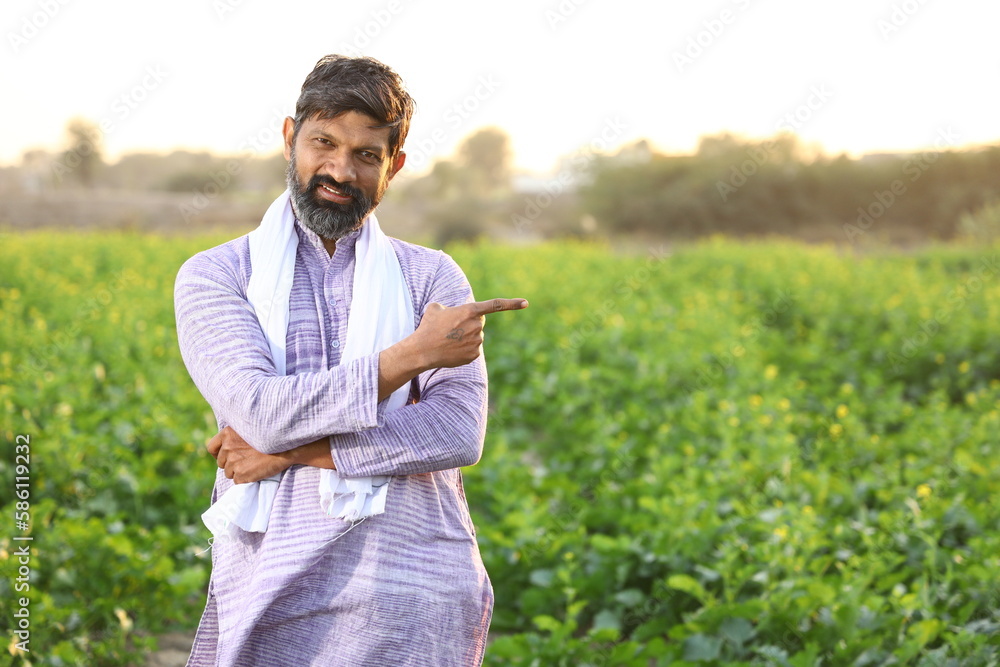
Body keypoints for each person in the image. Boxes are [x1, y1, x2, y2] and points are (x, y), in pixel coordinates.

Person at [174, 54, 527, 666]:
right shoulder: (217, 275)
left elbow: (455, 432)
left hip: (415, 594)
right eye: (323, 142)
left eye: (367, 154)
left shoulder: (432, 276)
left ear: (395, 167)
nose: (339, 170)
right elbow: (259, 411)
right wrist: (411, 357)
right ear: (290, 137)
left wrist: (284, 454)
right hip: (274, 590)